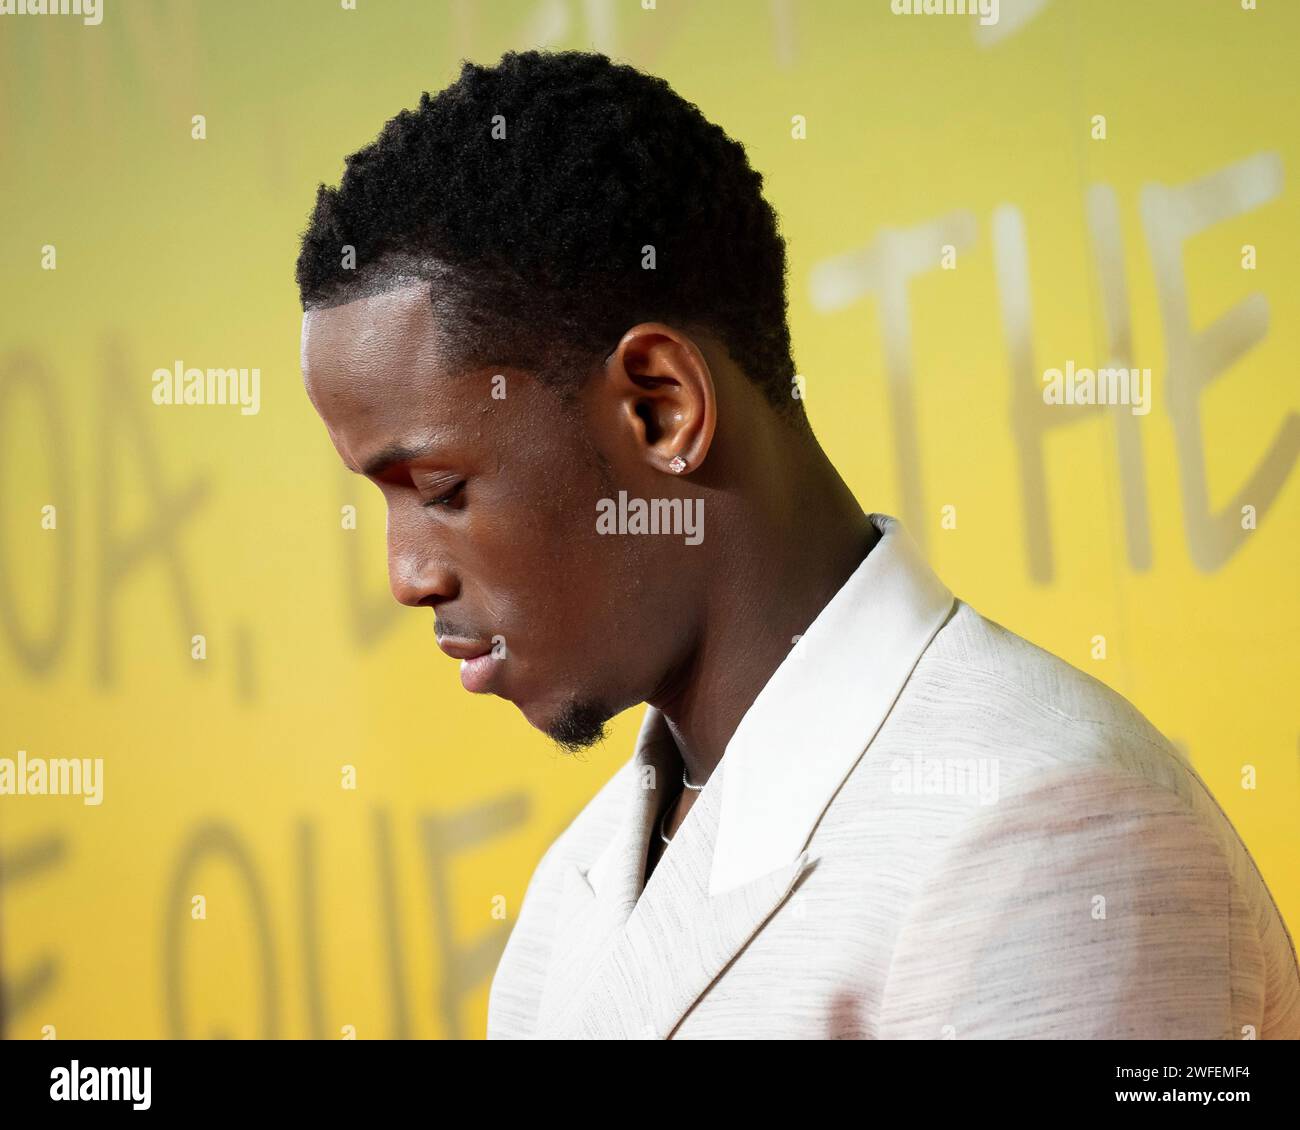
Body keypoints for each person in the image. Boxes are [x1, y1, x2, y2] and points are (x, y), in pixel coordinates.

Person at [295, 49, 1300, 1039]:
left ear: (659, 407)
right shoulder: (578, 887)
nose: (405, 574)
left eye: (438, 488)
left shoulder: (1055, 833)